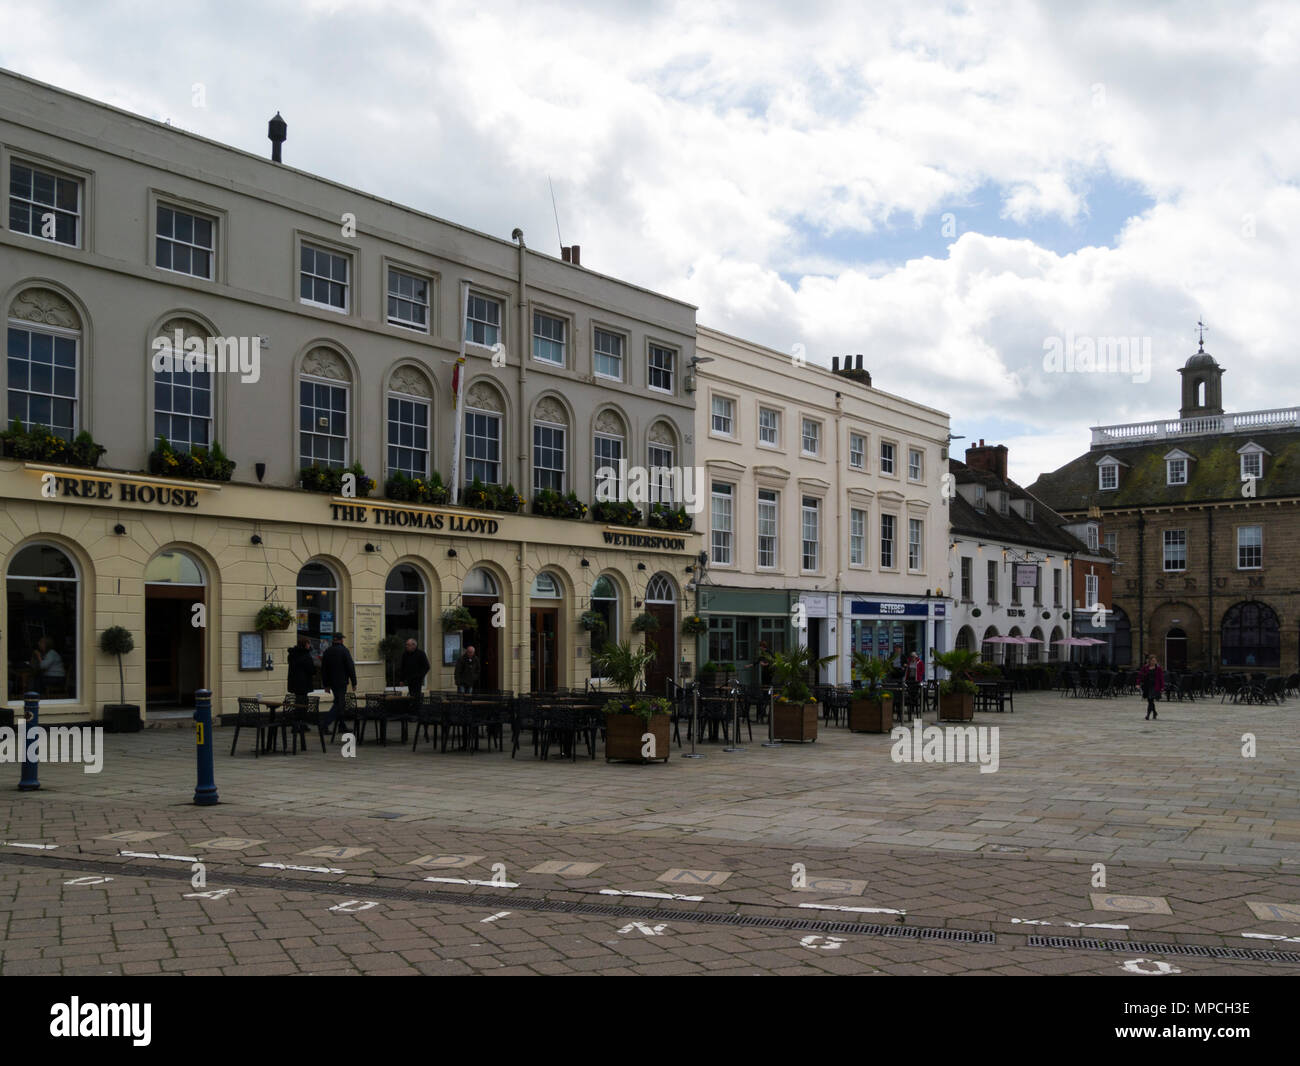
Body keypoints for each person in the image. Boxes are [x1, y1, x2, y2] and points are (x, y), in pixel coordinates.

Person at [321, 632, 357, 731]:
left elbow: (324, 669)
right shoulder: (344, 651)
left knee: (339, 702)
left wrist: (326, 684)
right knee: (339, 704)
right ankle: (325, 724)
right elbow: (350, 667)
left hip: (332, 682)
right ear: (341, 640)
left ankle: (341, 725)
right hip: (341, 682)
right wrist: (354, 682)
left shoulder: (327, 651)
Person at [285, 635, 316, 747]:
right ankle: (300, 724)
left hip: (294, 682)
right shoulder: (305, 656)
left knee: (298, 702)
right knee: (302, 704)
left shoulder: (293, 654)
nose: (309, 646)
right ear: (305, 645)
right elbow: (312, 670)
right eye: (308, 644)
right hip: (303, 683)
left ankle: (297, 723)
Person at [400, 638, 431, 704]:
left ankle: (417, 711)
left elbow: (427, 667)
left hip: (417, 680)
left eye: (408, 645)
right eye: (406, 645)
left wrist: (420, 676)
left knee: (416, 697)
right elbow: (403, 667)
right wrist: (402, 679)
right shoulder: (405, 654)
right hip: (409, 679)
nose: (406, 646)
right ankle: (413, 710)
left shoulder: (421, 654)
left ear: (414, 645)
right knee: (411, 695)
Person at [1137, 653, 1163, 720]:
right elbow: (1140, 676)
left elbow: (1161, 678)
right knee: (1150, 700)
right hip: (1147, 685)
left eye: (1155, 660)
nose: (1154, 662)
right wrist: (1138, 683)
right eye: (1153, 660)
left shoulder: (1158, 668)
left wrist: (1162, 687)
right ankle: (1154, 712)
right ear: (1149, 661)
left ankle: (1148, 715)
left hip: (1155, 686)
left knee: (1151, 699)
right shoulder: (1145, 668)